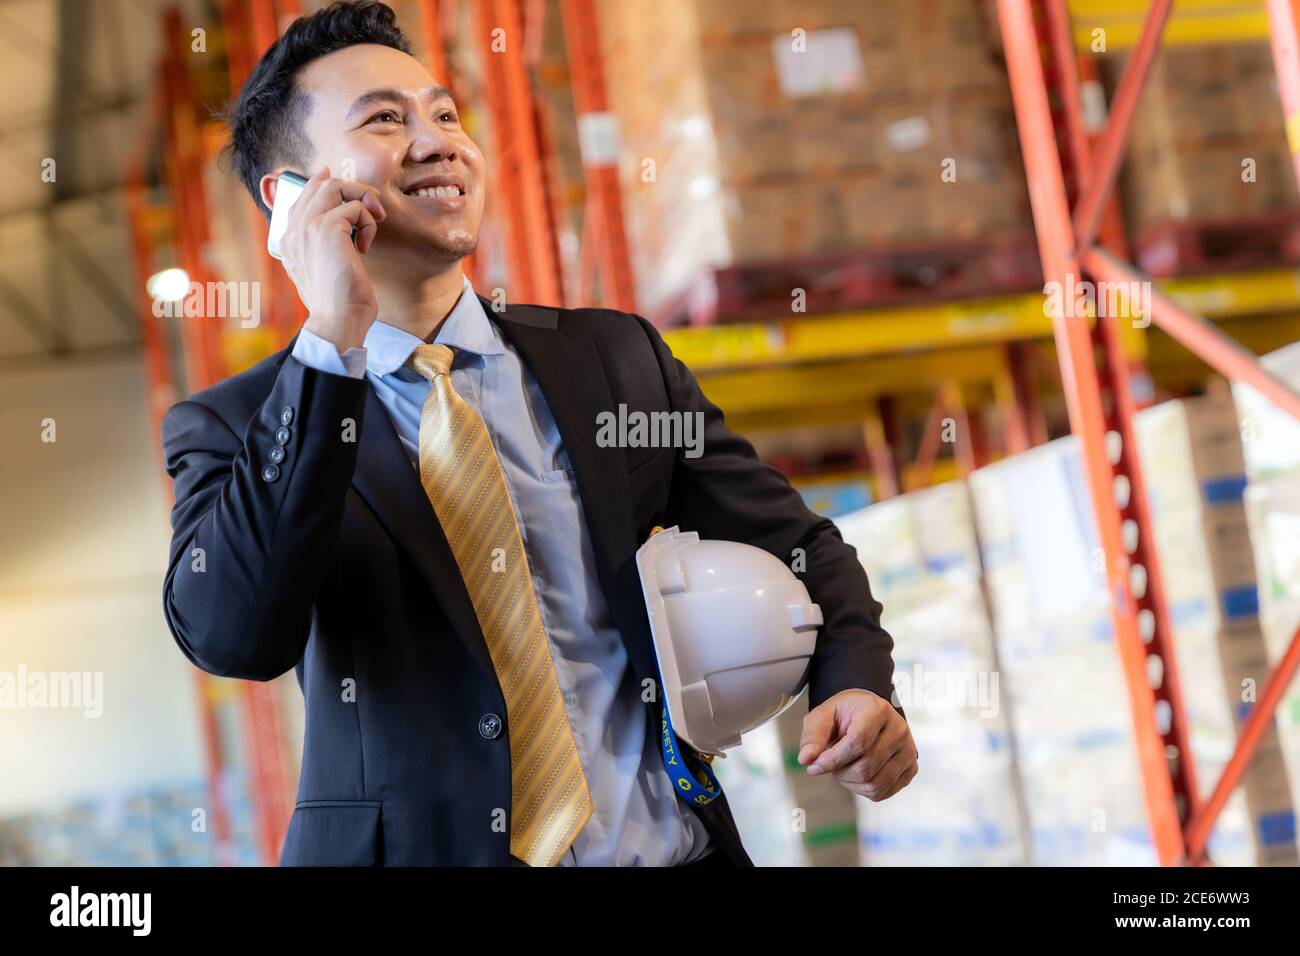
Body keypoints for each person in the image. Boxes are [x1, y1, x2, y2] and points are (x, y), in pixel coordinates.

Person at [160, 0, 916, 867]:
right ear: (289, 197)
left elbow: (800, 546)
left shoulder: (611, 358)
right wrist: (330, 343)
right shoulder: (237, 423)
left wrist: (856, 680)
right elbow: (232, 634)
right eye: (385, 119)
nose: (441, 140)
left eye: (446, 113)